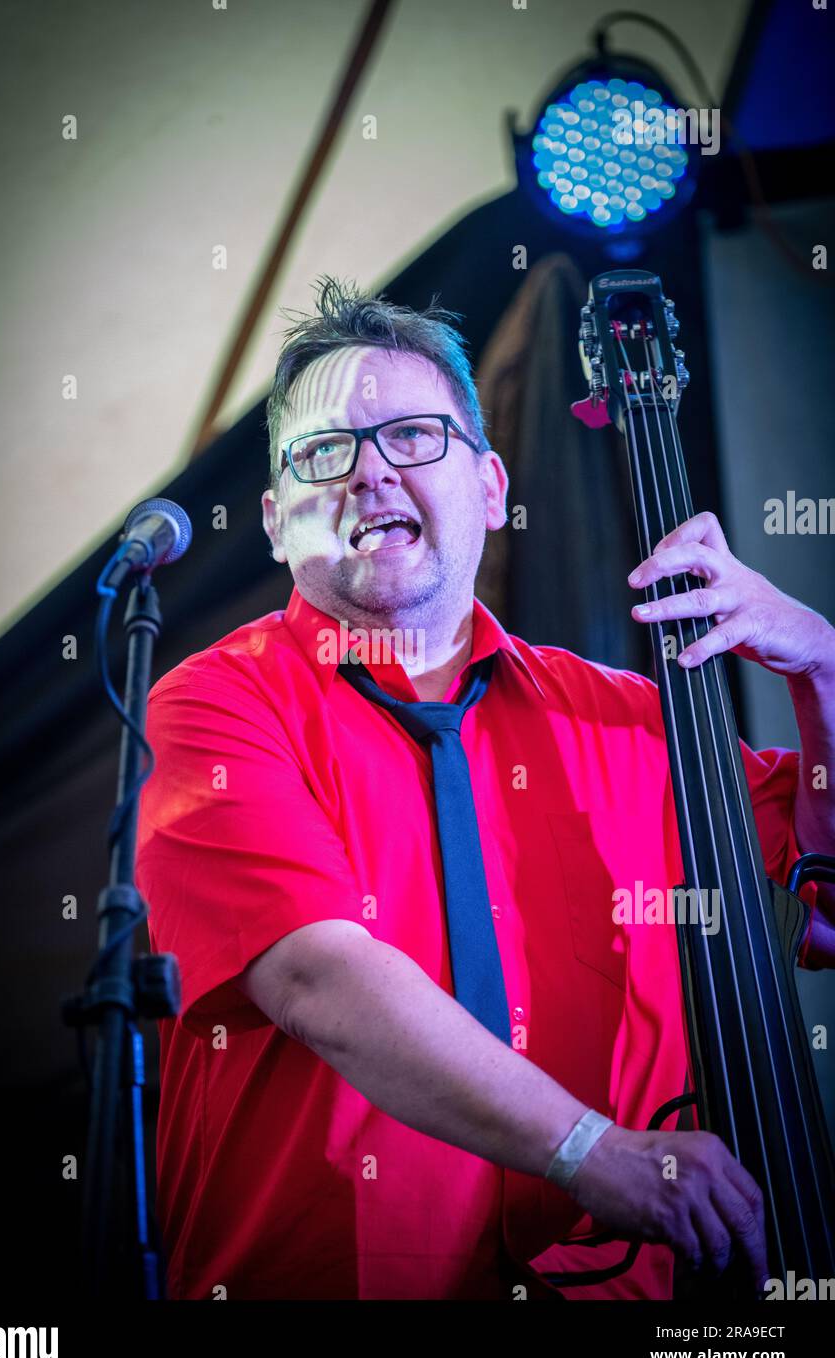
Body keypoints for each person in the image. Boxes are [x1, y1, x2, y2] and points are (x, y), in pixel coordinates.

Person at [135, 276, 835, 1300]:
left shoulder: (632, 718)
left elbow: (826, 900)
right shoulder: (212, 708)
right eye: (325, 454)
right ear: (279, 525)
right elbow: (316, 977)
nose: (370, 474)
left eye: (412, 437)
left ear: (493, 485)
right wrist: (591, 1149)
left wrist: (821, 665)